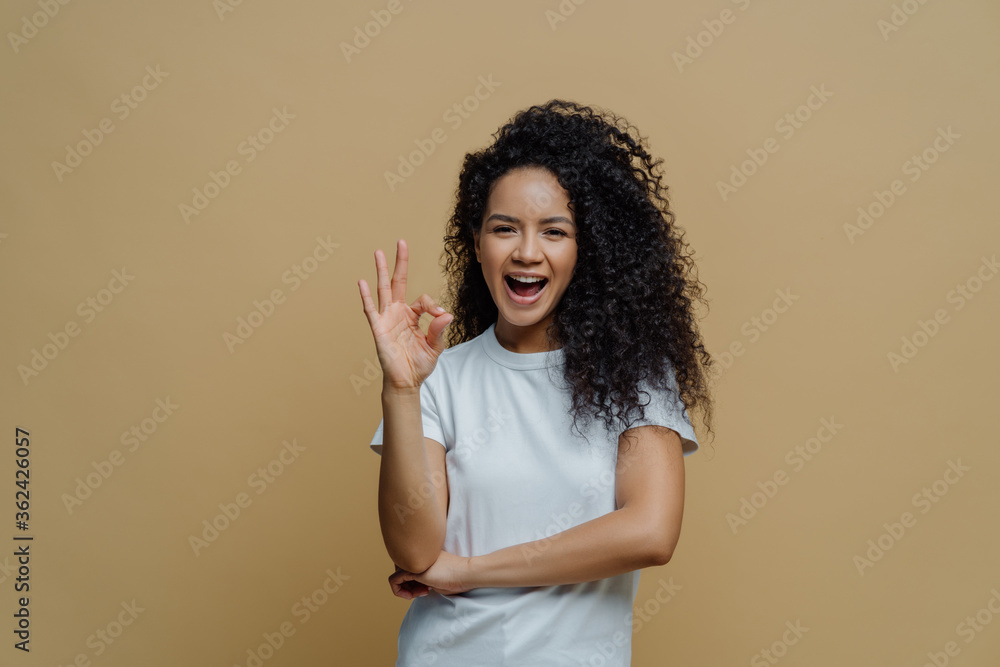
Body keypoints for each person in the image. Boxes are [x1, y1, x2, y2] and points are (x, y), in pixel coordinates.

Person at [358, 99, 715, 666]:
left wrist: (471, 571)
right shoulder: (440, 376)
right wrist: (401, 390)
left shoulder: (635, 378)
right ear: (477, 245)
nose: (527, 252)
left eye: (555, 231)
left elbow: (650, 532)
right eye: (505, 229)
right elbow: (415, 548)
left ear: (585, 251)